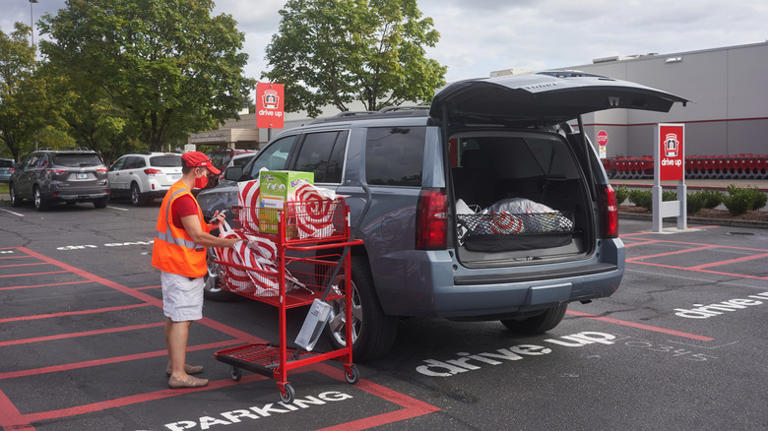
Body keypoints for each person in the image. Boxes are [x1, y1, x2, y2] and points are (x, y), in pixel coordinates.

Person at [152, 151, 239, 388]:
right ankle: (178, 374)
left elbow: (190, 228)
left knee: (174, 316)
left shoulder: (177, 192)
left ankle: (174, 364)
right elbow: (196, 235)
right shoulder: (184, 198)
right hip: (183, 267)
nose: (209, 177)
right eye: (207, 172)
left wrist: (212, 226)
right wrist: (230, 242)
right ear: (197, 171)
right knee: (182, 319)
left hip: (173, 264)